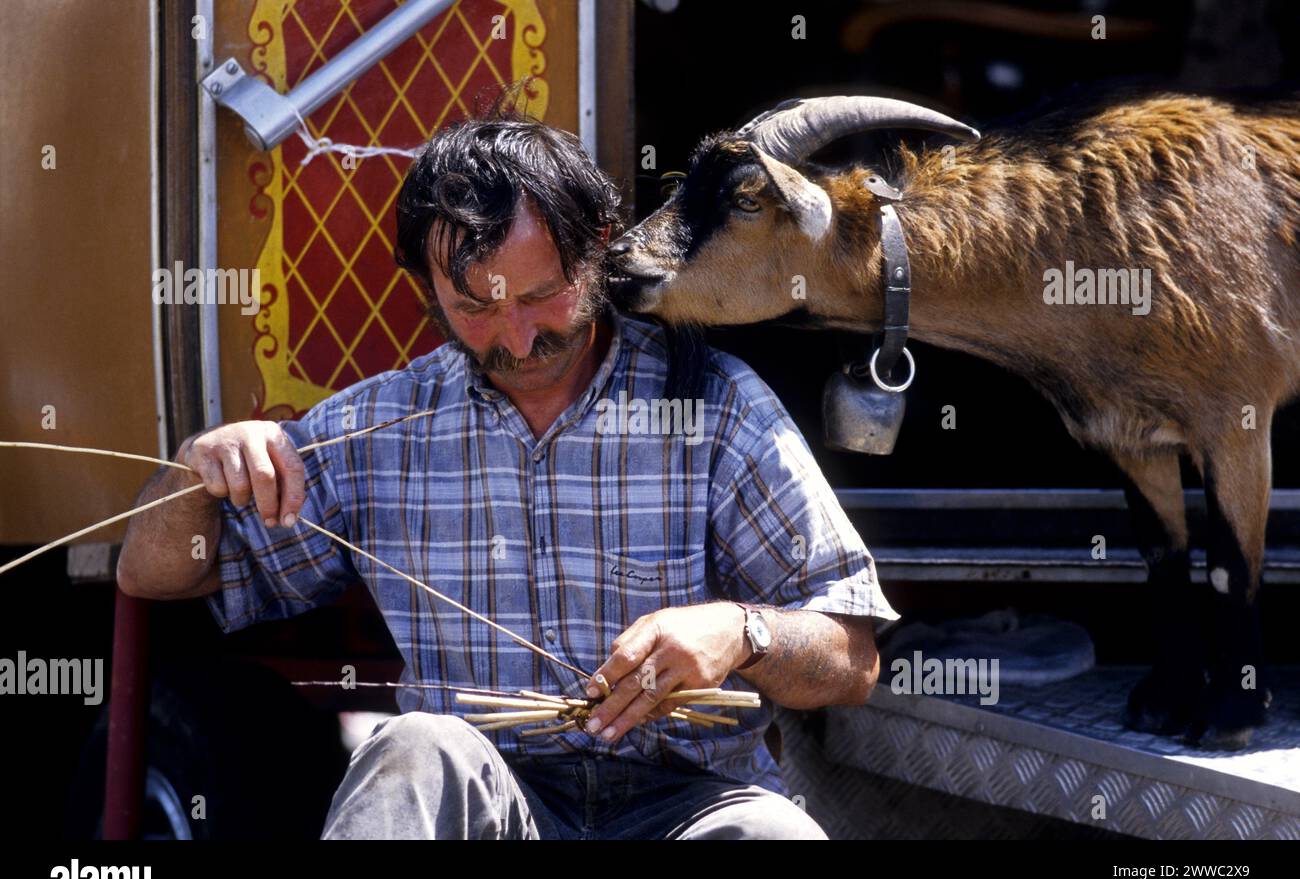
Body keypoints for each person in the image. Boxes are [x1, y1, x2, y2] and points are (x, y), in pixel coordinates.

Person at [115, 88, 900, 840]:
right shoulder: (382, 425)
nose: (519, 340)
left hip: (688, 804)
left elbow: (852, 658)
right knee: (415, 749)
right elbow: (151, 574)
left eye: (543, 295)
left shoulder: (716, 405)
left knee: (773, 830)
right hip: (488, 801)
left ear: (596, 249)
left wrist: (744, 630)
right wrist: (196, 468)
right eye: (478, 308)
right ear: (428, 292)